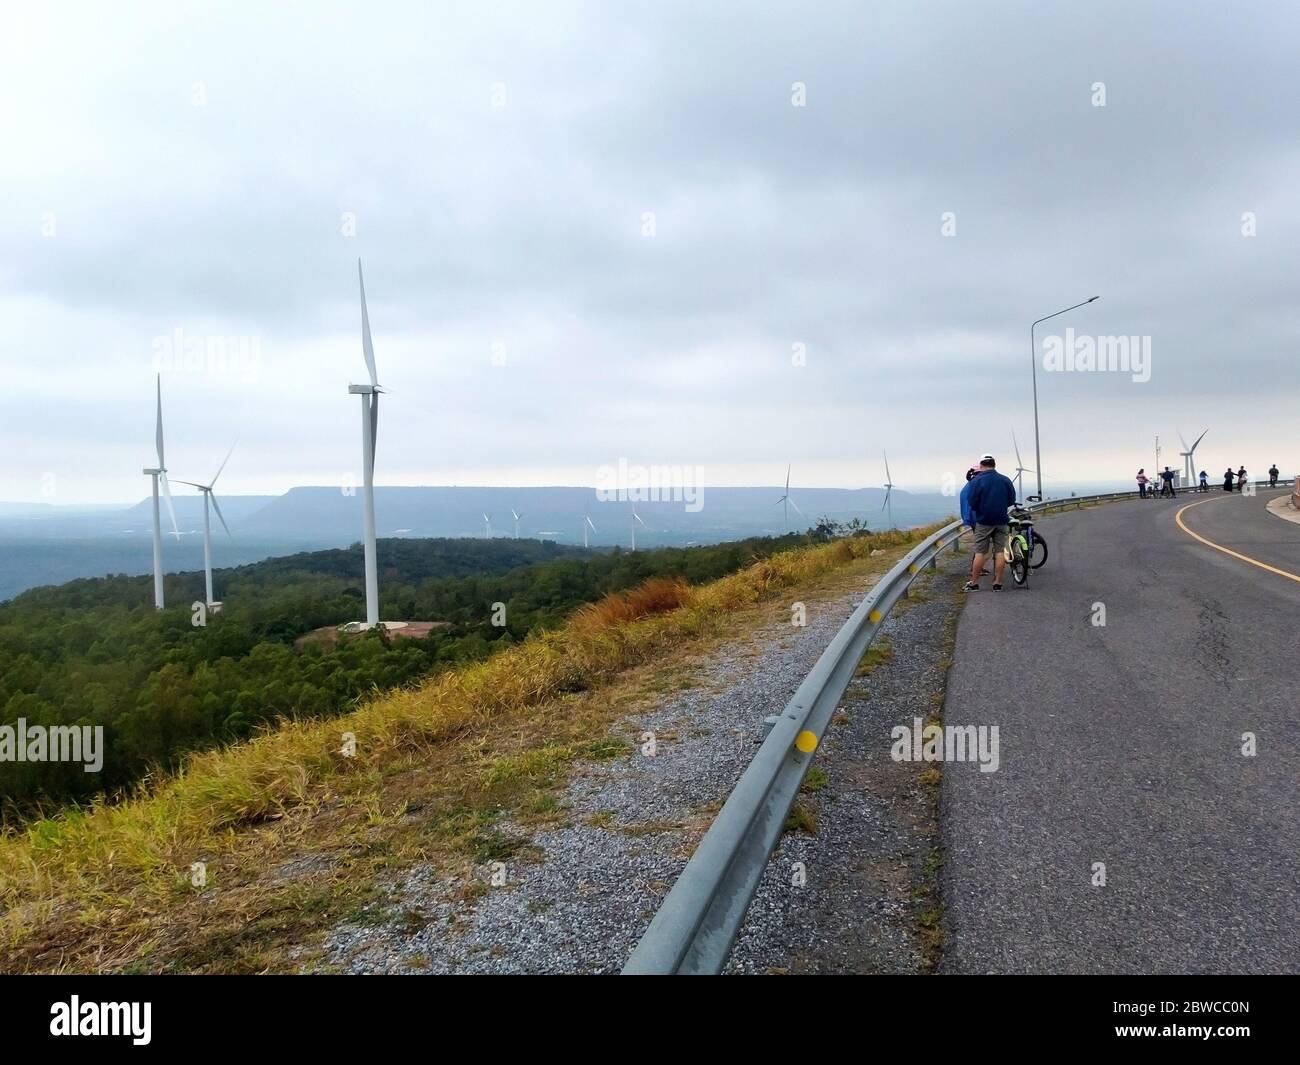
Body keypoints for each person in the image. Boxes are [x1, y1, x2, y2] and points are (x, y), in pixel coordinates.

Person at [964, 454, 1016, 591]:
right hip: (1001, 520)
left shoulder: (977, 481)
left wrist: (980, 510)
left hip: (984, 521)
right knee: (999, 551)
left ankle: (974, 583)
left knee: (980, 552)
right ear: (994, 465)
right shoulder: (1005, 480)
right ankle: (997, 583)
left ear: (981, 466)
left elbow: (972, 502)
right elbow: (1011, 500)